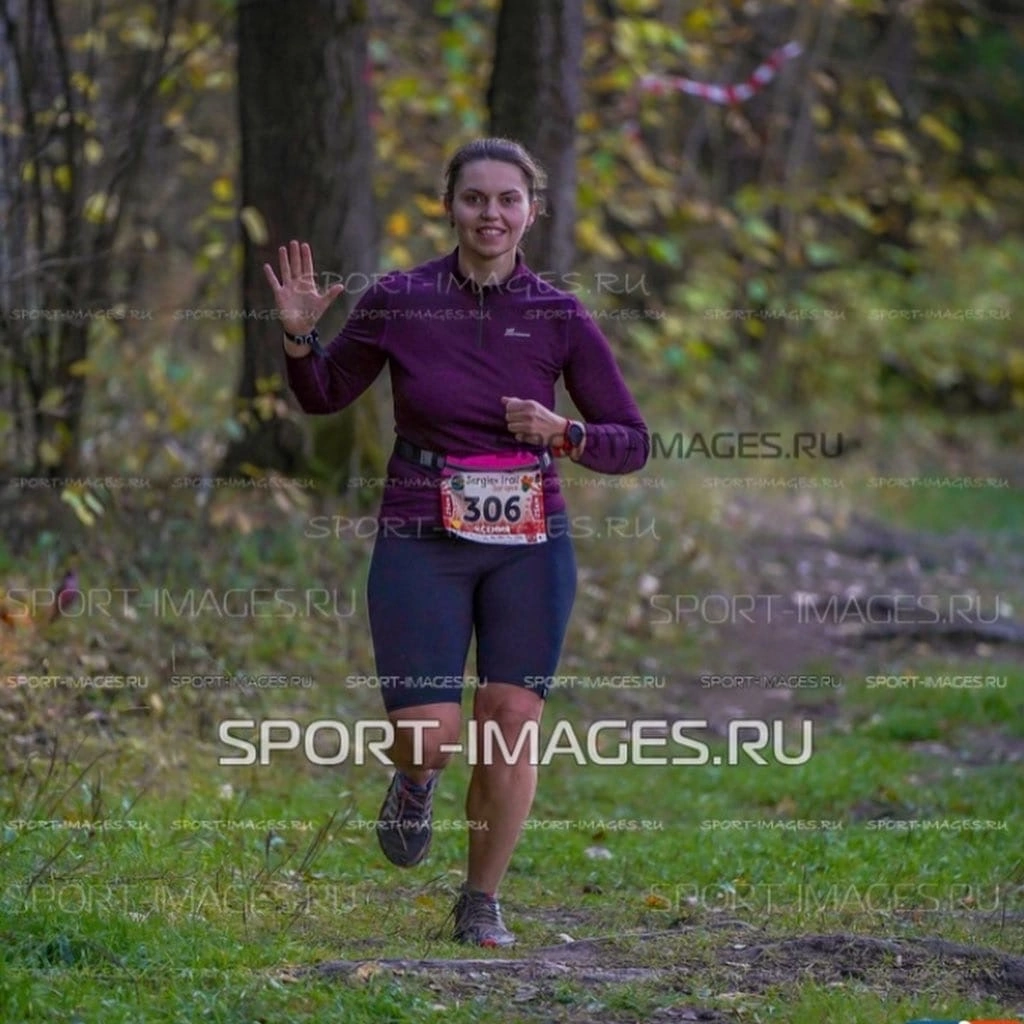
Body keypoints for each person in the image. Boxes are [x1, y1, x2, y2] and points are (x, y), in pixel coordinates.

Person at [264, 137, 649, 948]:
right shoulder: (401, 300)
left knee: (510, 716)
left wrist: (565, 432)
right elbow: (326, 395)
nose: (491, 213)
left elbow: (632, 439)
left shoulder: (558, 314)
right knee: (431, 733)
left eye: (508, 199)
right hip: (420, 530)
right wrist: (300, 339)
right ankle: (413, 780)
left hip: (528, 536)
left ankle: (482, 900)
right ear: (450, 205)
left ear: (531, 212)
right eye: (475, 198)